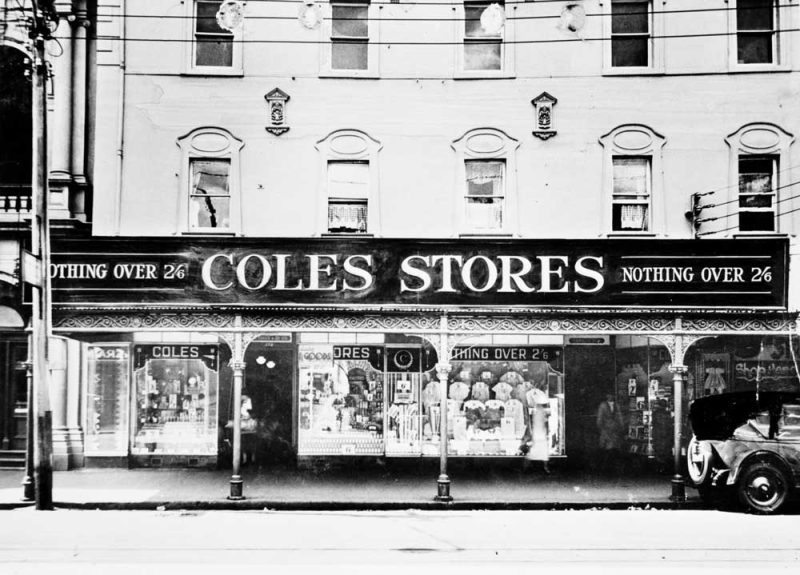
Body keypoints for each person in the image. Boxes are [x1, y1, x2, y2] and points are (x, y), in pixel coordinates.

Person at [523, 382, 551, 474]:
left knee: (539, 452)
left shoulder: (539, 411)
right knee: (539, 452)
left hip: (539, 434)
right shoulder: (539, 412)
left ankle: (530, 467)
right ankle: (541, 467)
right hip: (539, 434)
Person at [596, 392, 625, 472]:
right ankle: (605, 467)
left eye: (612, 395)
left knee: (614, 448)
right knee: (606, 448)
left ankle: (611, 467)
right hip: (606, 430)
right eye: (609, 395)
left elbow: (620, 417)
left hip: (615, 431)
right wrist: (601, 428)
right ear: (607, 396)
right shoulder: (603, 405)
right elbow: (600, 418)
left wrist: (621, 427)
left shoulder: (617, 405)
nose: (610, 396)